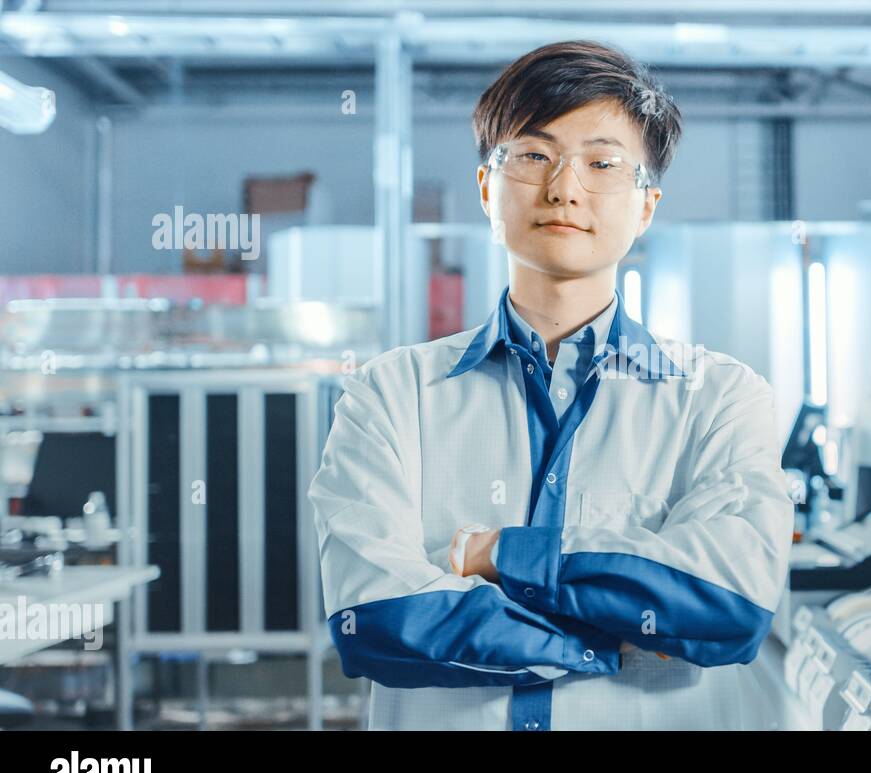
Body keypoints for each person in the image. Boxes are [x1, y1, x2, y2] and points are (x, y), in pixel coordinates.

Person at [308, 40, 793, 730]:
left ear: (646, 205)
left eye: (601, 164)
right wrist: (611, 637)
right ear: (486, 188)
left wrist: (496, 554)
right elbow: (379, 619)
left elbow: (727, 604)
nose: (565, 187)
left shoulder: (719, 398)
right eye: (533, 155)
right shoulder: (390, 396)